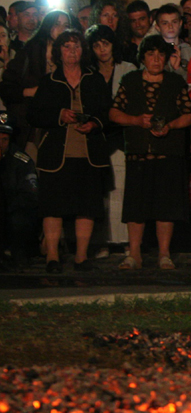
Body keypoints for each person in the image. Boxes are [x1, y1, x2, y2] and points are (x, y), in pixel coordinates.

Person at [108, 35, 191, 270]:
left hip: (168, 153)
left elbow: (189, 115)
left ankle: (164, 254)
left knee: (165, 207)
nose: (156, 59)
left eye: (160, 54)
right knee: (136, 207)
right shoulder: (130, 80)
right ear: (143, 57)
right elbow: (114, 113)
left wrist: (170, 125)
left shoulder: (175, 82)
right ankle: (134, 254)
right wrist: (136, 120)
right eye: (150, 54)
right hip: (138, 152)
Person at [28, 29, 112, 273]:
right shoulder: (49, 81)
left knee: (86, 207)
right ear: (59, 52)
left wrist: (94, 123)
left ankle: (81, 257)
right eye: (67, 47)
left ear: (83, 51)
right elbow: (34, 115)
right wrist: (59, 116)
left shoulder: (95, 79)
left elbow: (107, 112)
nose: (72, 52)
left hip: (89, 154)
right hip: (56, 156)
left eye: (76, 47)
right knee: (53, 207)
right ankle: (52, 256)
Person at [86, 25, 136, 253]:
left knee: (122, 189)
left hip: (122, 136)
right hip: (97, 136)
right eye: (96, 45)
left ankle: (125, 241)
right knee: (99, 192)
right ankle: (101, 241)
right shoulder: (88, 72)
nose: (102, 49)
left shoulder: (127, 68)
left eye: (105, 44)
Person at [0, 10, 73, 155]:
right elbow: (6, 88)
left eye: (66, 25)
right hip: (30, 128)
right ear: (48, 26)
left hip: (58, 127)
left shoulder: (71, 56)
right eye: (57, 24)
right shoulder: (29, 52)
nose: (62, 29)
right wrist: (29, 92)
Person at [0, 118, 38, 268]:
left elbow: (30, 195)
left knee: (20, 218)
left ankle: (17, 254)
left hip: (12, 209)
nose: (0, 144)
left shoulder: (21, 160)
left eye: (4, 139)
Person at [153, 4, 191, 79]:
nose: (170, 26)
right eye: (165, 23)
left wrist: (178, 69)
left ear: (180, 23)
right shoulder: (150, 53)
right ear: (157, 27)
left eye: (174, 22)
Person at [125, 0, 153, 66]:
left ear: (150, 19)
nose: (138, 24)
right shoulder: (124, 48)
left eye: (142, 19)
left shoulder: (160, 44)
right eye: (133, 21)